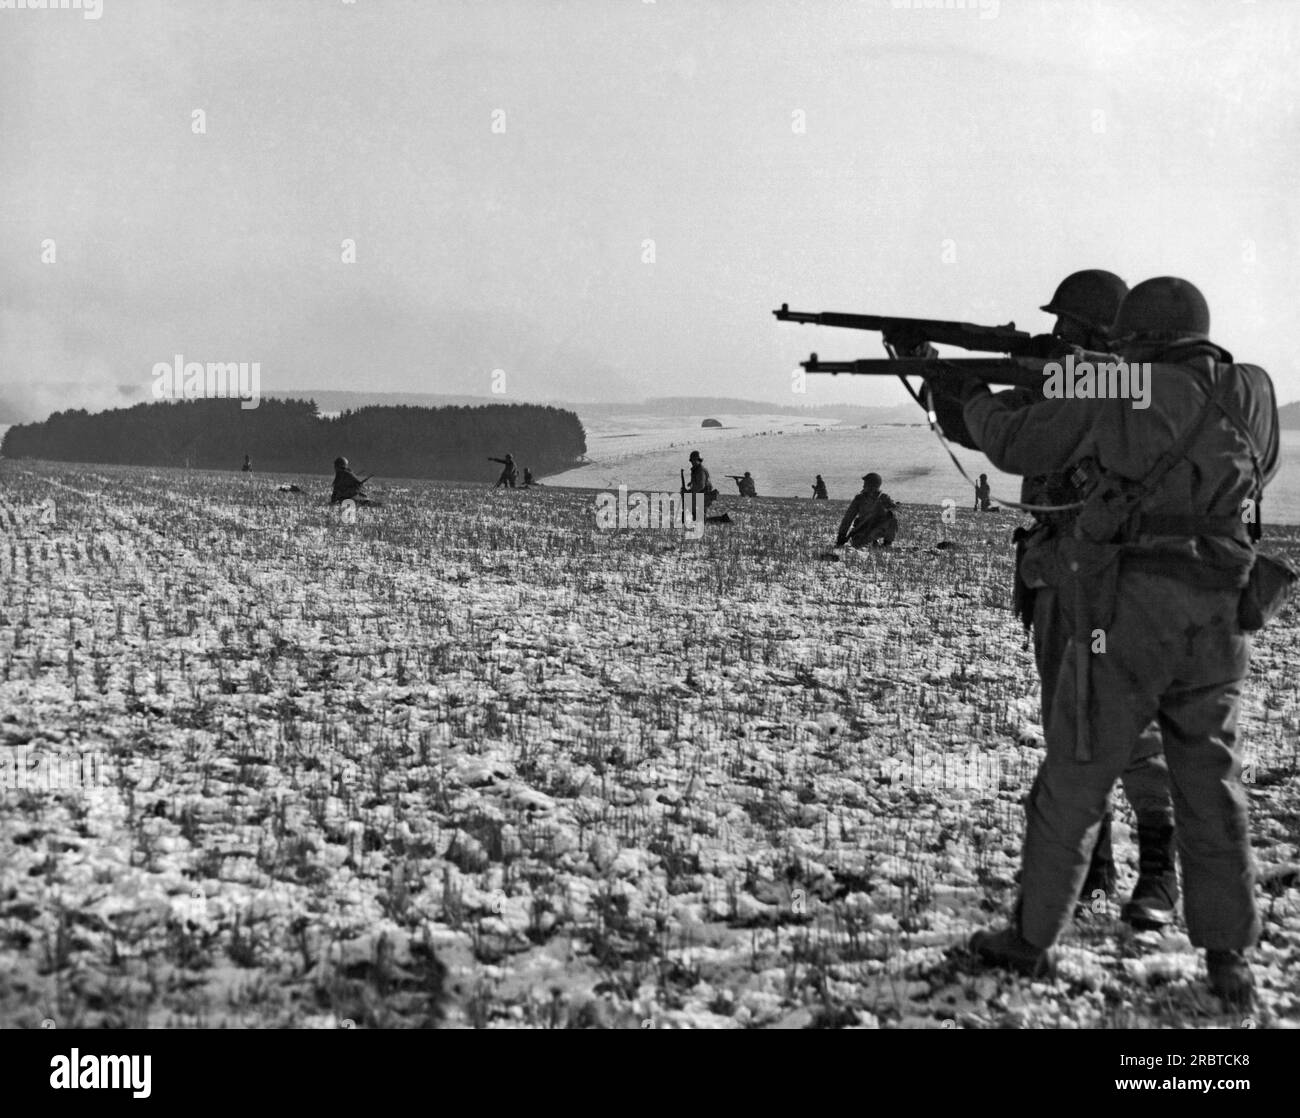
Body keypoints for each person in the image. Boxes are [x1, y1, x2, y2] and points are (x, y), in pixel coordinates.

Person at [931, 277, 1279, 1009]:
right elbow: (1258, 468)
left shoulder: (1116, 384)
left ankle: (1031, 939)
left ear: (1135, 335)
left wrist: (970, 396)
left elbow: (1015, 441)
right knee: (1212, 780)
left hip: (1130, 607)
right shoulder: (1251, 387)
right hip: (1220, 610)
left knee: (1078, 767)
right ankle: (1229, 959)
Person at [932, 270, 1175, 923]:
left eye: (1068, 326)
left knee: (1135, 732)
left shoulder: (1130, 386)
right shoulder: (1067, 383)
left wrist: (990, 387)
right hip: (1052, 577)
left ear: (1101, 333)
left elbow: (1021, 431)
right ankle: (1095, 876)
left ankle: (1159, 873)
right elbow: (990, 431)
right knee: (1069, 730)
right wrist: (938, 376)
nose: (1056, 335)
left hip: (1116, 580)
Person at [835, 473, 899, 548]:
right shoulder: (859, 499)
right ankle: (873, 542)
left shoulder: (884, 498)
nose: (863, 486)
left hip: (878, 527)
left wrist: (891, 512)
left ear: (873, 486)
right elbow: (848, 518)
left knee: (893, 520)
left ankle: (887, 544)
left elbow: (897, 510)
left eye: (866, 484)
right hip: (863, 529)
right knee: (857, 545)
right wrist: (841, 535)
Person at [685, 450, 718, 516]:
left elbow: (701, 486)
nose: (692, 462)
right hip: (700, 494)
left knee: (698, 517)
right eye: (691, 460)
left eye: (694, 460)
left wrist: (690, 492)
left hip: (703, 495)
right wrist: (691, 483)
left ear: (699, 460)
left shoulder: (700, 470)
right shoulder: (696, 469)